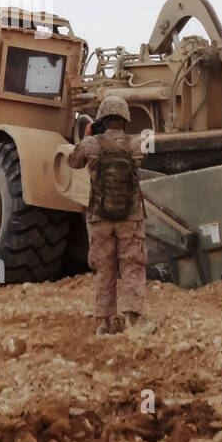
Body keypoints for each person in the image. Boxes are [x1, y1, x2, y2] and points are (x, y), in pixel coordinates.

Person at [69, 95, 147, 336]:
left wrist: (89, 135)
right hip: (130, 216)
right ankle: (132, 320)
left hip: (99, 216)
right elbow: (145, 156)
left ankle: (103, 322)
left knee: (104, 268)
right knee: (132, 264)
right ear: (125, 119)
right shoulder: (136, 144)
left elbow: (73, 161)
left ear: (102, 118)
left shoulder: (92, 145)